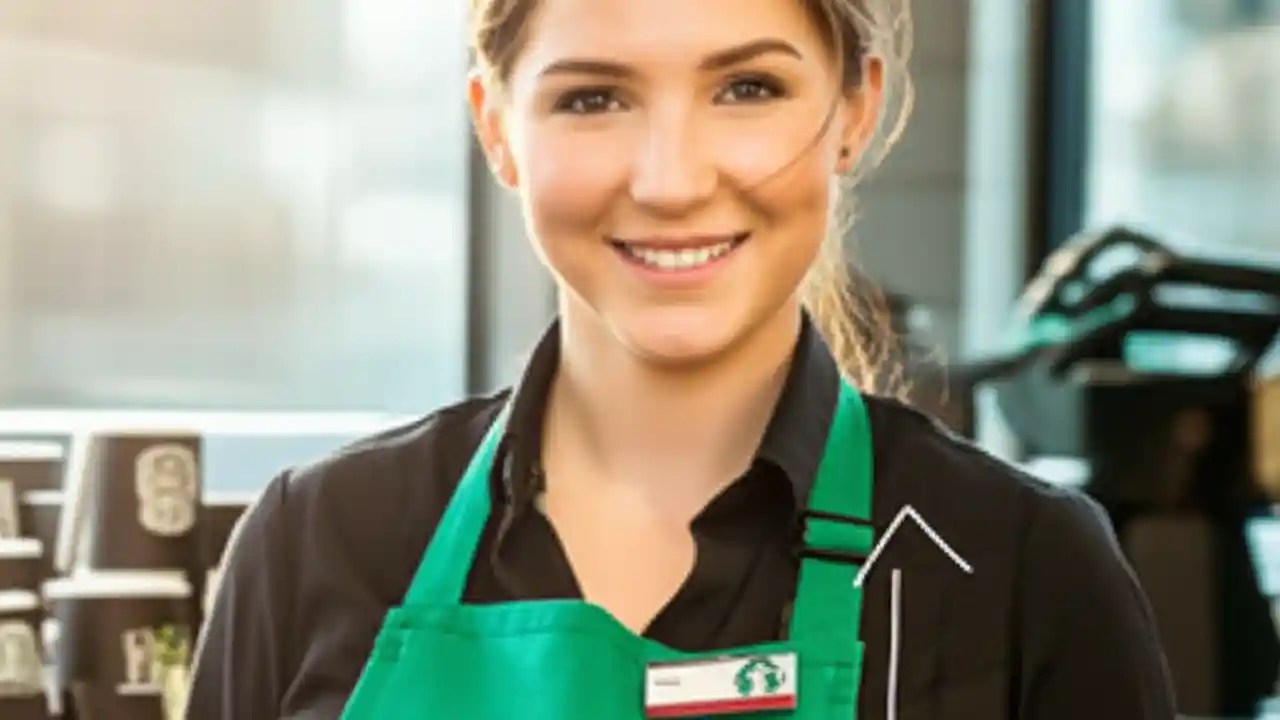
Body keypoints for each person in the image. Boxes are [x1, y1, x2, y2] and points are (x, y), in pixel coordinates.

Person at [186, 0, 1177, 717]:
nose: (669, 180)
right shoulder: (317, 537)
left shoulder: (1019, 566)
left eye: (746, 88)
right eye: (592, 99)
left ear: (852, 109)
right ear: (496, 126)